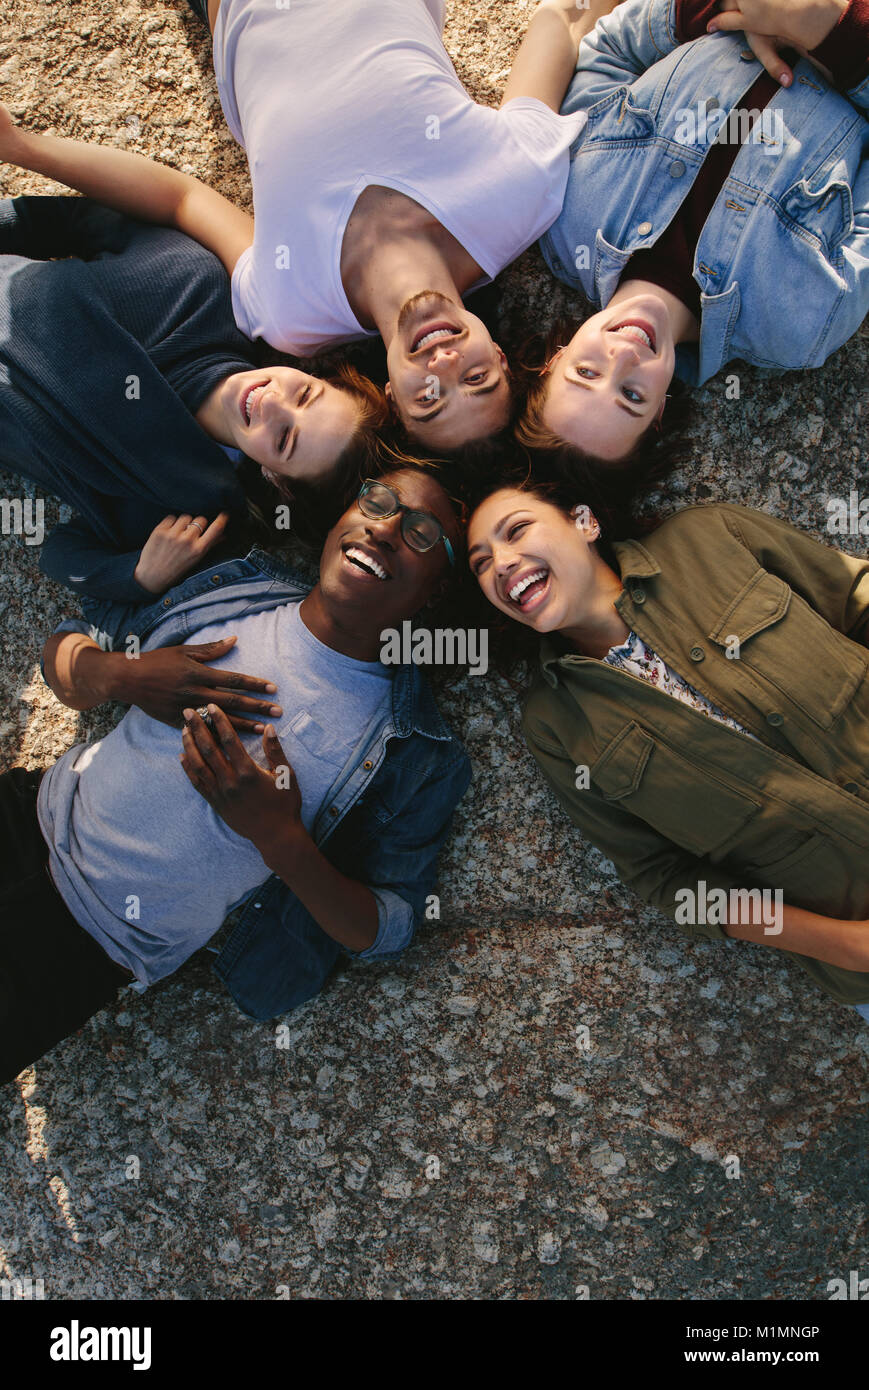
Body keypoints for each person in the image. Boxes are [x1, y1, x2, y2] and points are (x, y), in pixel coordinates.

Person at [0, 466, 471, 1083]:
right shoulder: (232, 588)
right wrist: (125, 676)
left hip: (86, 948)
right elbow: (67, 643)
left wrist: (279, 838)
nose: (385, 529)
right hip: (25, 815)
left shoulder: (417, 754)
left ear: (435, 590)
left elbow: (389, 928)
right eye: (378, 502)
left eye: (421, 533)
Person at [0, 1, 610, 451]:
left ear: (392, 395)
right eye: (476, 377)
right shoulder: (520, 196)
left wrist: (23, 148)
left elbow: (183, 200)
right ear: (498, 354)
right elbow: (560, 20)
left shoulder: (293, 312)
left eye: (428, 398)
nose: (445, 366)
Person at [467, 474, 869, 1017]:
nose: (501, 562)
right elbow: (665, 879)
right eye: (481, 563)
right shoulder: (555, 723)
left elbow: (857, 602)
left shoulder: (710, 537)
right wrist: (840, 944)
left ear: (585, 522)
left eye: (516, 530)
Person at [521, 0, 869, 465]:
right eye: (632, 396)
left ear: (556, 358)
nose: (623, 356)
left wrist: (723, 10)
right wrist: (830, 29)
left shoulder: (565, 216)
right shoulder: (800, 326)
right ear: (660, 411)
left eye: (585, 371)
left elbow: (612, 50)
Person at [0, 193, 387, 603]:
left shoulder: (184, 509)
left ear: (278, 482)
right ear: (314, 372)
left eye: (285, 439)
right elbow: (77, 219)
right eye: (306, 395)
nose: (273, 403)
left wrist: (138, 577)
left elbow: (63, 553)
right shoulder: (196, 285)